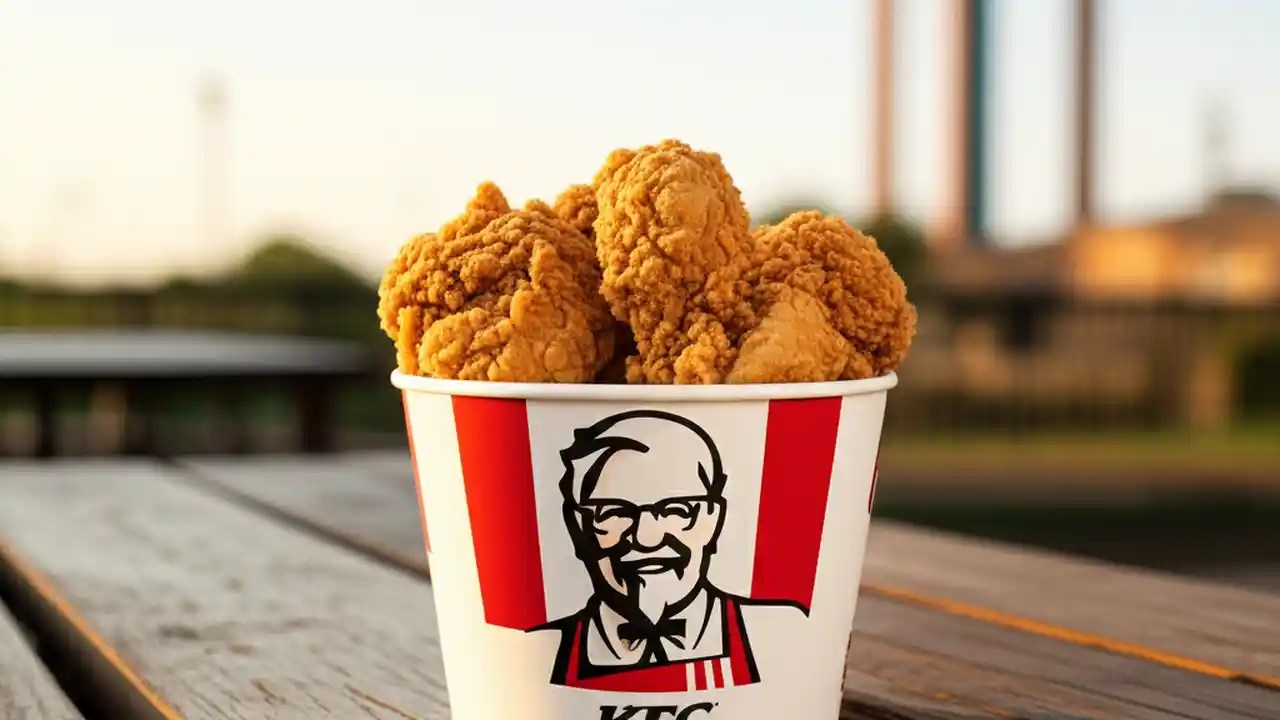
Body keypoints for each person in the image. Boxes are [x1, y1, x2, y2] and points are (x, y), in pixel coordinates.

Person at [538, 410, 789, 692]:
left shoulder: (782, 633)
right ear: (577, 527)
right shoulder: (531, 652)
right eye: (613, 513)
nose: (647, 538)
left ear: (714, 519)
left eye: (676, 511)